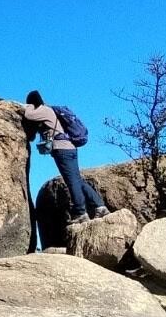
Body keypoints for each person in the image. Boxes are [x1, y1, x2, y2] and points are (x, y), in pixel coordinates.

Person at [22, 90, 108, 225]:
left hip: (62, 149)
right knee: (77, 180)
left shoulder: (43, 110)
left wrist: (28, 106)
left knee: (71, 182)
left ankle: (80, 213)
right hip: (70, 147)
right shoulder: (49, 111)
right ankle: (100, 206)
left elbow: (28, 114)